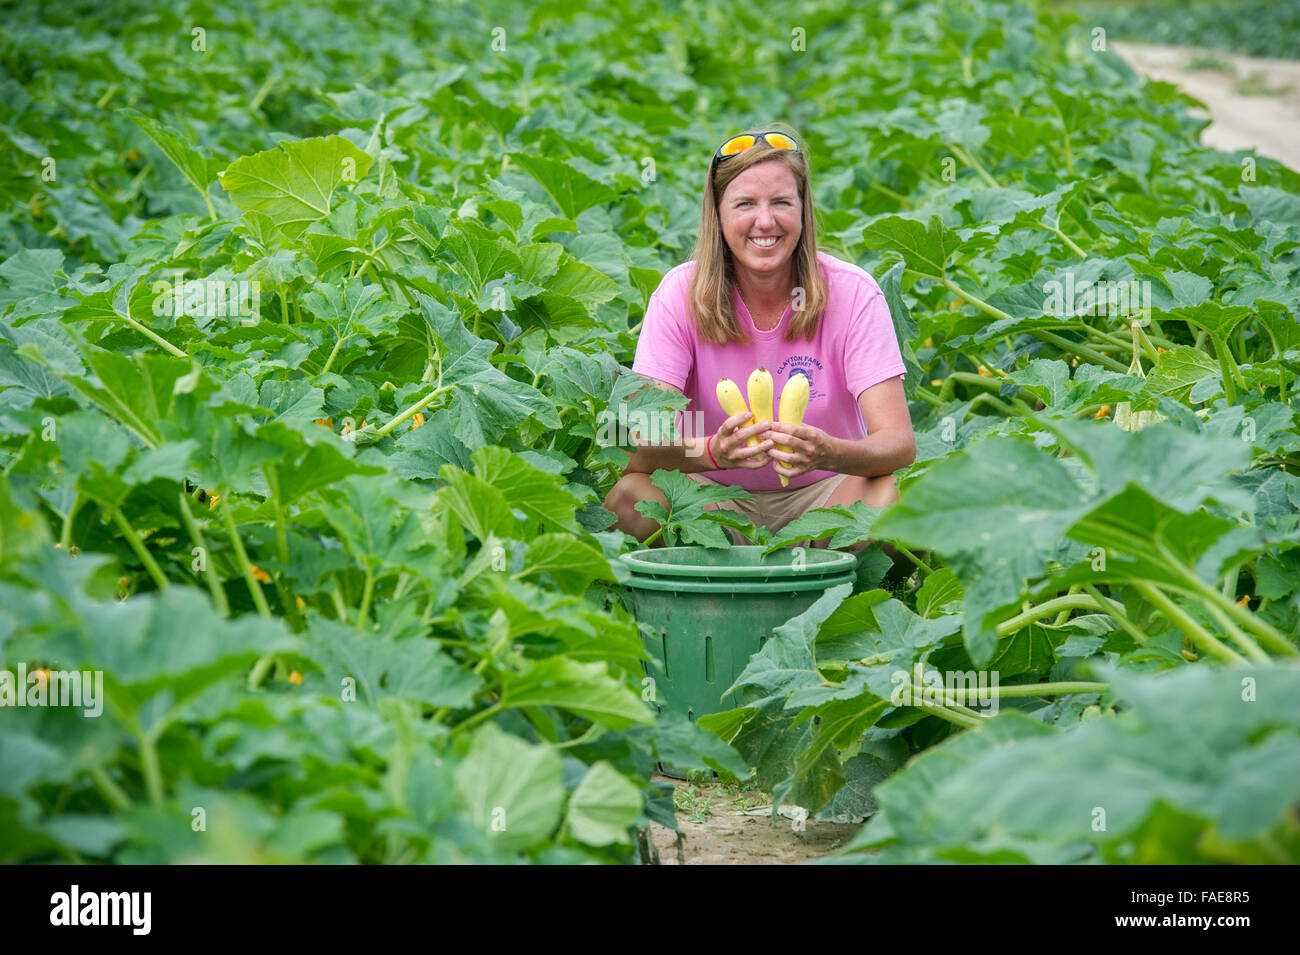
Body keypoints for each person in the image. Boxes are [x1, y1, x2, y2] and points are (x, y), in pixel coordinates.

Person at [604, 123, 916, 555]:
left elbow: (899, 444)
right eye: (745, 204)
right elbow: (637, 446)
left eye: (782, 203)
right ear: (717, 214)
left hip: (826, 498)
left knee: (901, 503)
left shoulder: (853, 292)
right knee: (628, 501)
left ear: (804, 210)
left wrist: (829, 452)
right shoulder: (679, 293)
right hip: (707, 501)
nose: (765, 222)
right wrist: (713, 450)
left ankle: (841, 600)